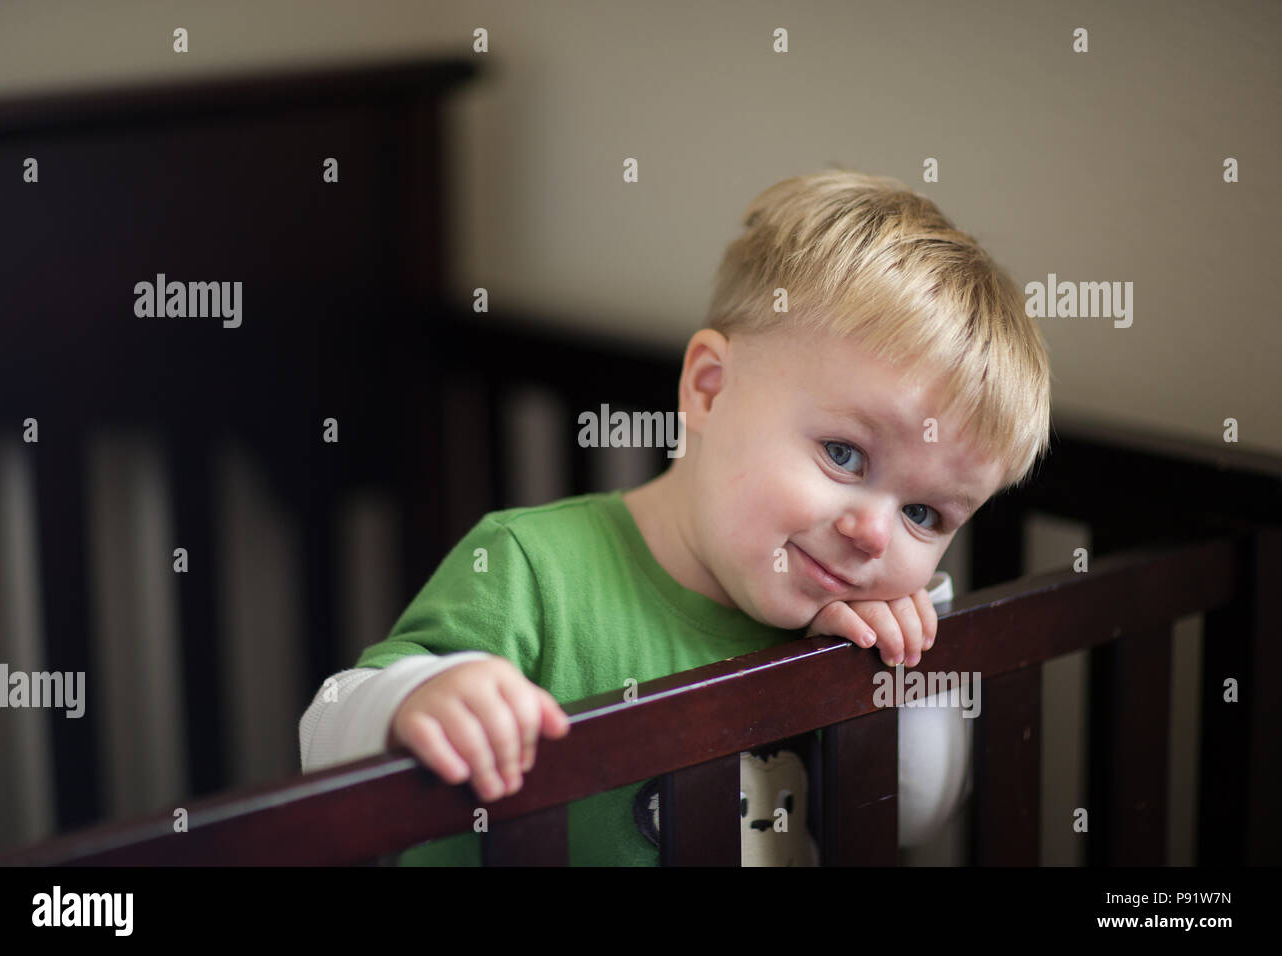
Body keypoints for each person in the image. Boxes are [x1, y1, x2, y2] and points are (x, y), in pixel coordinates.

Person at [298, 168, 1052, 865]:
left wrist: (906, 673)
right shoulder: (532, 565)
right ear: (710, 388)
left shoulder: (844, 632)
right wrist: (417, 701)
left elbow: (908, 819)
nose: (873, 533)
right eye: (844, 456)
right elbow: (327, 736)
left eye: (923, 513)